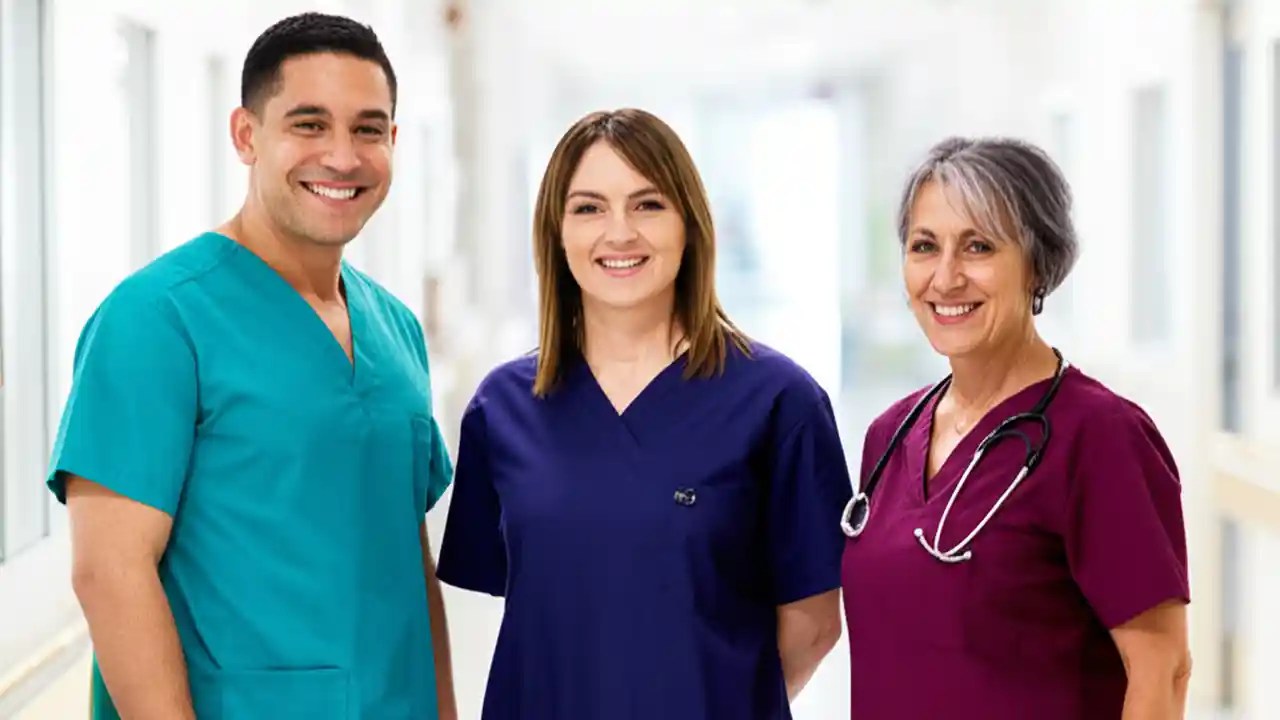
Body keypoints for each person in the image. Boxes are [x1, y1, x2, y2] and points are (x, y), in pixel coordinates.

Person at [47, 13, 456, 720]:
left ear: (393, 142)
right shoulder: (156, 320)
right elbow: (108, 573)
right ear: (247, 135)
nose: (341, 156)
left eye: (367, 129)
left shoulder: (397, 331)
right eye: (308, 124)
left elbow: (408, 558)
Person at [436, 108, 852, 719]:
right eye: (589, 208)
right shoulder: (502, 409)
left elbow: (813, 624)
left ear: (689, 225)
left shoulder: (779, 402)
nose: (619, 232)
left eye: (648, 204)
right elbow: (535, 612)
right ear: (557, 232)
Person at [839, 136, 1192, 718]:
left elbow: (1163, 669)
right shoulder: (889, 435)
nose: (946, 277)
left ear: (1038, 264)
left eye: (978, 247)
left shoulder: (1100, 437)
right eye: (925, 246)